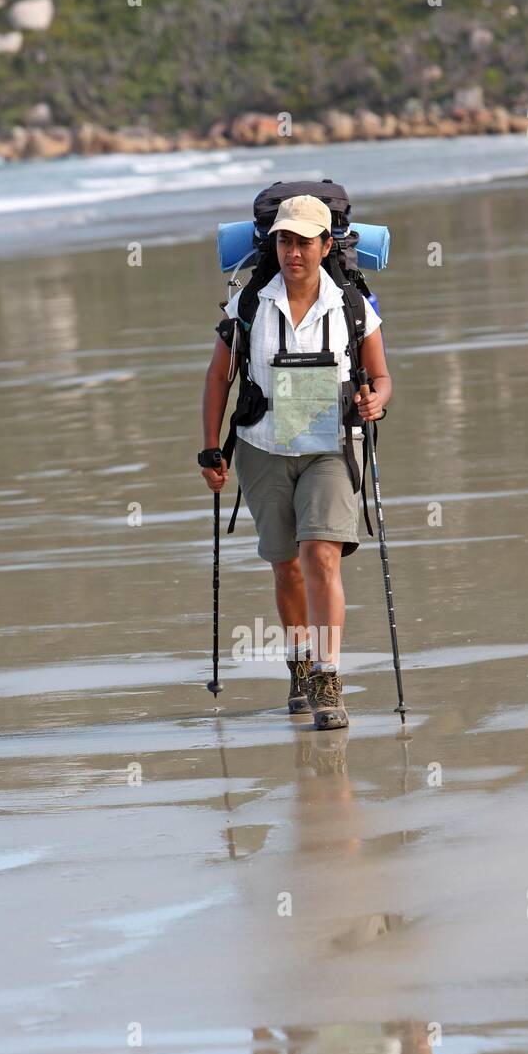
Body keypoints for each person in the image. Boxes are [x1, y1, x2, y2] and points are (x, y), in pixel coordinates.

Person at [199, 193, 392, 729]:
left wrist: (377, 399)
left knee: (320, 554)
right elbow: (220, 377)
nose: (293, 252)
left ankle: (328, 678)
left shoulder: (352, 305)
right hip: (264, 446)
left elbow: (381, 377)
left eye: (305, 242)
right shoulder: (251, 303)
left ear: (326, 245)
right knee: (286, 566)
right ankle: (300, 662)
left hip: (331, 445)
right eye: (284, 240)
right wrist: (211, 448)